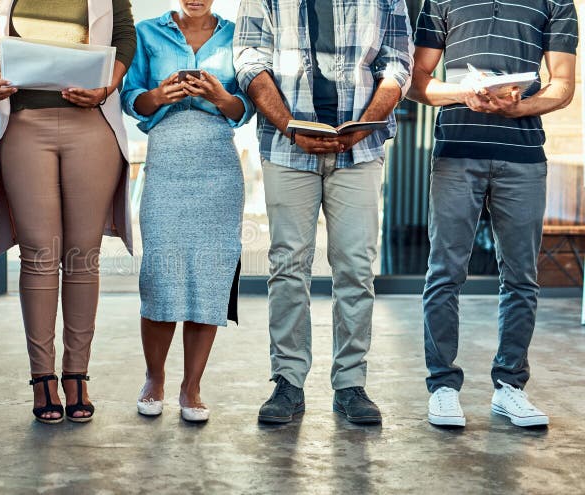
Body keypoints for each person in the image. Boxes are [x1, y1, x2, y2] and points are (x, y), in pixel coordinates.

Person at [234, 0, 413, 424]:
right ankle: (288, 382)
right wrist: (289, 125)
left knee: (356, 267)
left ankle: (350, 384)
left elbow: (398, 64)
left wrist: (364, 126)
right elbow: (249, 60)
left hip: (360, 149)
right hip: (287, 147)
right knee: (288, 265)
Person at [409, 0, 578, 428]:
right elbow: (417, 81)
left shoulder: (556, 2)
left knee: (521, 277)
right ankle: (443, 386)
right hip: (456, 154)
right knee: (444, 273)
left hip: (523, 158)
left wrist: (517, 107)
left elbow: (563, 85)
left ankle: (510, 386)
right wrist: (463, 93)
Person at [0, 0, 136, 424]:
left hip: (91, 125)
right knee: (39, 255)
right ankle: (42, 377)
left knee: (83, 255)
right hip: (24, 126)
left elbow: (124, 37)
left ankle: (77, 375)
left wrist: (107, 87)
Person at [121, 0, 254, 423]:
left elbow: (245, 108)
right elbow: (130, 98)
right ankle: (154, 378)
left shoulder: (237, 36)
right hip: (166, 164)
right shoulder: (148, 32)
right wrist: (158, 96)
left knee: (208, 281)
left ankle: (191, 386)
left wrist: (221, 97)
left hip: (218, 168)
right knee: (161, 276)